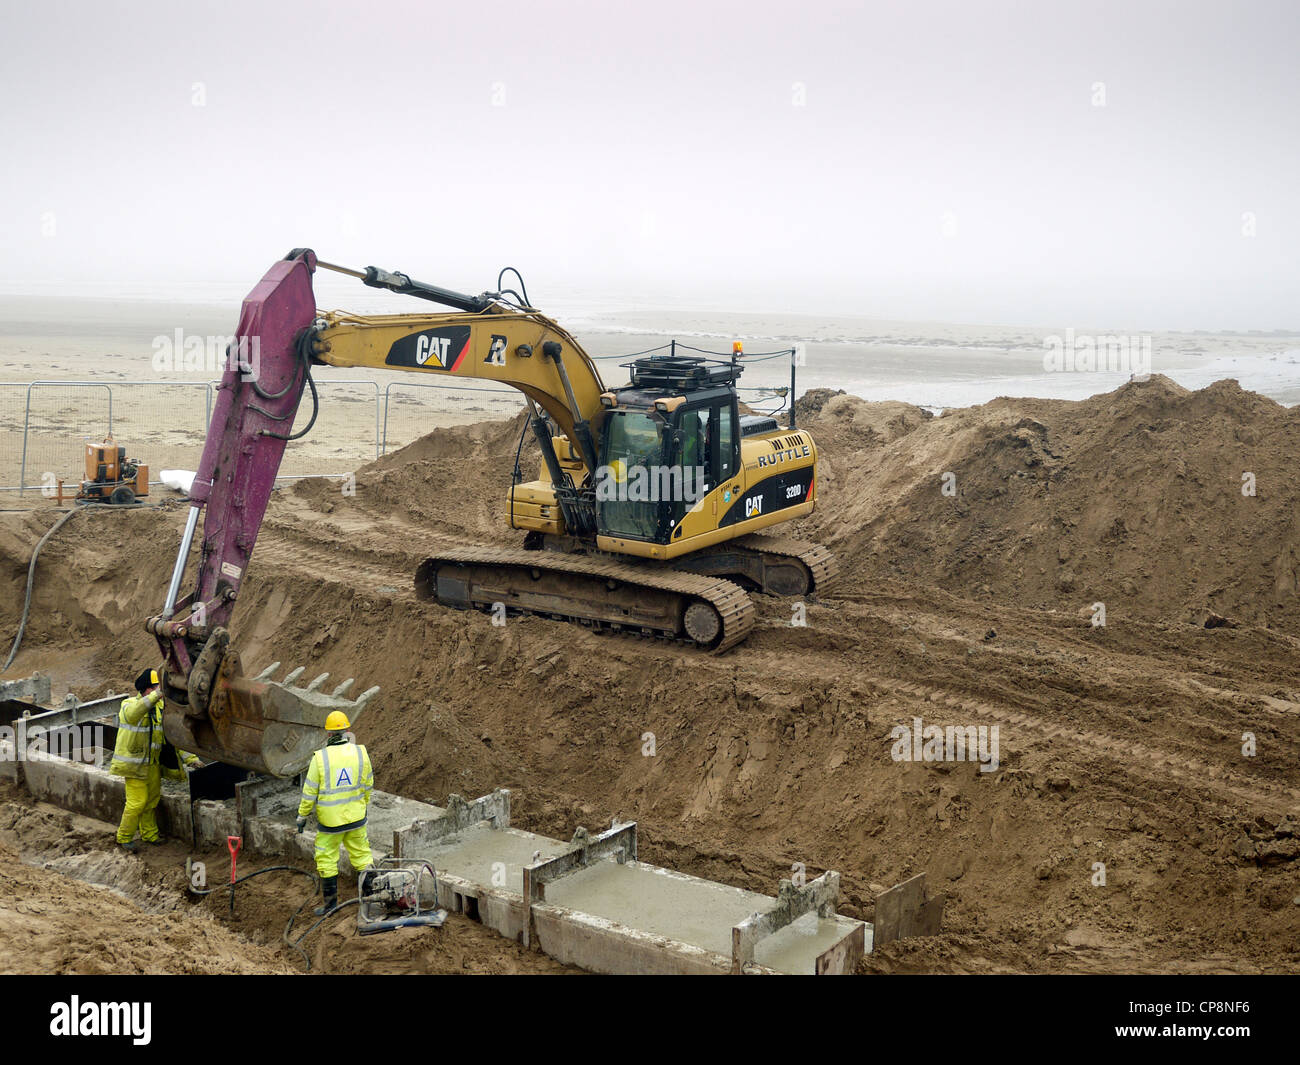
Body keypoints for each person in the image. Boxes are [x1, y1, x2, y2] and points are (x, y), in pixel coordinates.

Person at [110, 668, 200, 851]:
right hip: (134, 767)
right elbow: (134, 714)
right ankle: (124, 836)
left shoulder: (160, 710)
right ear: (146, 690)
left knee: (151, 801)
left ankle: (149, 834)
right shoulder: (128, 705)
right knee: (137, 803)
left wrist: (191, 759)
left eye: (158, 688)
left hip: (152, 765)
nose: (157, 691)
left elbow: (172, 738)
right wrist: (157, 695)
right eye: (154, 688)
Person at [296, 710, 374, 915]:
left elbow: (309, 792)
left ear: (328, 734)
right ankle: (370, 900)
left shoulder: (320, 759)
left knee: (326, 859)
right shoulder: (361, 753)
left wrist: (302, 816)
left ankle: (331, 905)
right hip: (357, 819)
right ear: (347, 731)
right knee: (362, 856)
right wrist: (362, 805)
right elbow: (368, 785)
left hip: (330, 825)